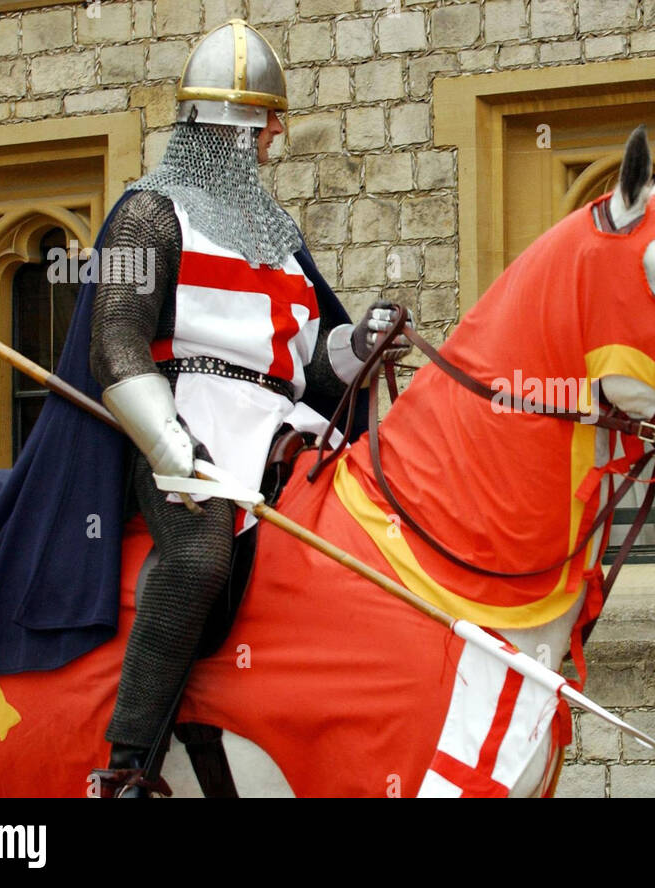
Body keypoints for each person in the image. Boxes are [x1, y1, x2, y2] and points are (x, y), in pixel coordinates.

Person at [89, 19, 404, 796]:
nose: (276, 136)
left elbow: (310, 369)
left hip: (279, 431)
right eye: (267, 120)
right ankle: (128, 768)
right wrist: (169, 445)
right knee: (199, 555)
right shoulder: (145, 213)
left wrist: (358, 344)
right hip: (185, 423)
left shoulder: (279, 236)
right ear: (230, 124)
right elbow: (115, 343)